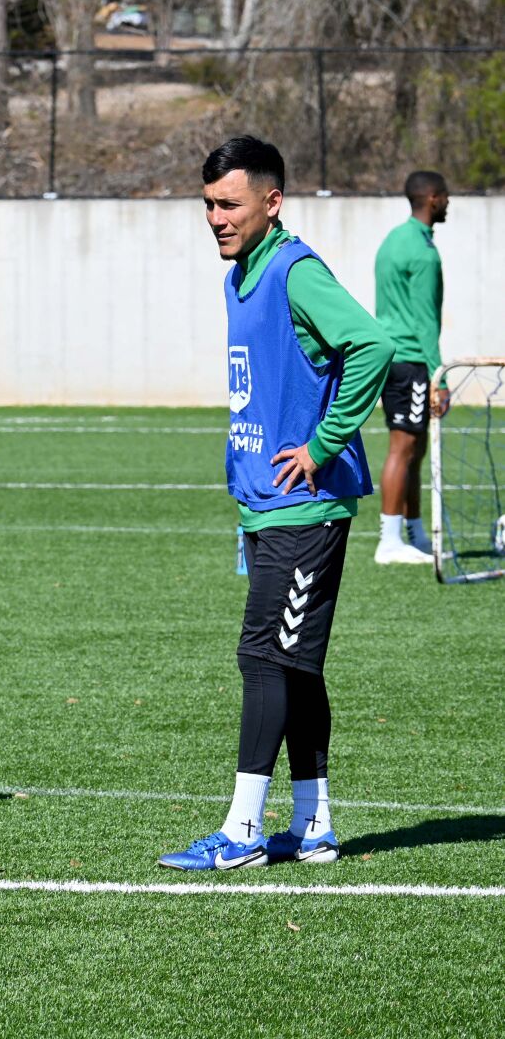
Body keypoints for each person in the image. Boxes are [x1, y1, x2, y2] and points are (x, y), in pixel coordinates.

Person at [159, 135, 393, 873]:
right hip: (265, 508)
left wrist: (322, 445)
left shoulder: (294, 270)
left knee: (261, 656)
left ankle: (242, 831)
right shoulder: (240, 276)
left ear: (271, 201)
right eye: (207, 205)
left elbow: (372, 345)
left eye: (228, 204)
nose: (215, 218)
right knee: (294, 665)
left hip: (306, 508)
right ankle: (313, 824)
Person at [372, 170, 452, 565]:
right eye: (446, 197)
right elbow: (424, 320)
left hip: (396, 359)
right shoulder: (421, 252)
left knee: (415, 449)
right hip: (410, 361)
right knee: (403, 447)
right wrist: (440, 377)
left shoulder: (395, 239)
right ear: (433, 198)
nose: (449, 204)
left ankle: (416, 534)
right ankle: (389, 540)